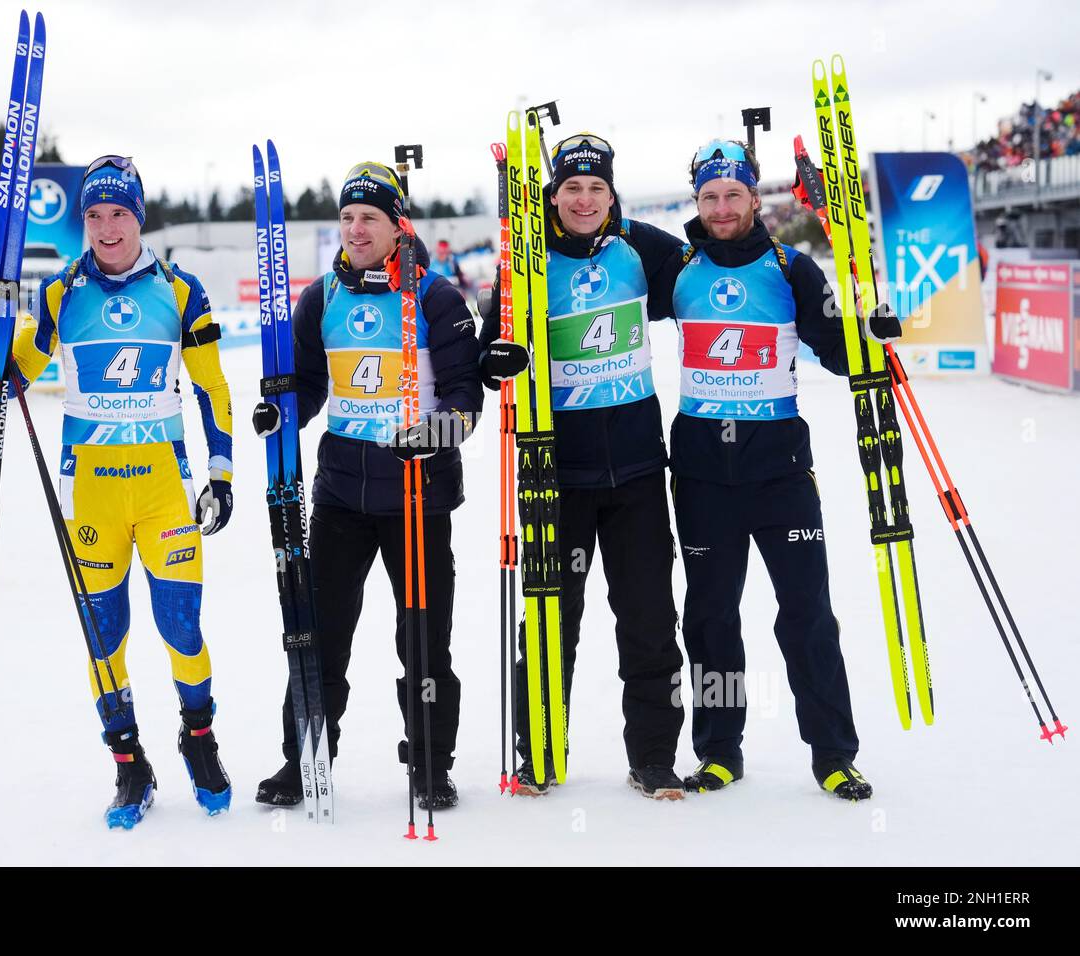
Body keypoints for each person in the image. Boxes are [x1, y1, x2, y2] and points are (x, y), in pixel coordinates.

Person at [652, 140, 898, 801]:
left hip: (781, 473)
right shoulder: (676, 266)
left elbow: (841, 352)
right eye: (709, 197)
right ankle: (719, 752)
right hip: (702, 473)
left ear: (755, 200)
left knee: (807, 613)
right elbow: (598, 269)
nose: (722, 208)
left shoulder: (792, 269)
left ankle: (834, 756)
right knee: (709, 616)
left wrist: (871, 331)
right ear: (696, 203)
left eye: (733, 195)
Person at [0, 156, 236, 828]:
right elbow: (14, 374)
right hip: (93, 500)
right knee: (105, 640)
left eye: (119, 213)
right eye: (95, 215)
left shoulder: (181, 292)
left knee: (181, 628)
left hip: (166, 495)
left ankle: (199, 740)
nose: (106, 227)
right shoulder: (57, 295)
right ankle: (128, 764)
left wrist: (221, 473)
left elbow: (213, 388)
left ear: (139, 216)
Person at [252, 161, 483, 811]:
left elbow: (467, 397)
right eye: (347, 217)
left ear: (395, 224)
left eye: (369, 217)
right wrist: (281, 409)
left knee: (423, 638)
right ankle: (302, 761)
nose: (355, 229)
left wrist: (436, 432)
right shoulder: (321, 298)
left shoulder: (436, 298)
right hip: (340, 497)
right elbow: (306, 387)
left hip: (417, 495)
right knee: (319, 635)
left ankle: (431, 763)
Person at [478, 132, 687, 800]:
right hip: (553, 476)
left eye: (596, 187)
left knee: (650, 620)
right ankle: (539, 750)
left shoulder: (641, 247)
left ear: (611, 192)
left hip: (636, 473)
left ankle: (653, 756)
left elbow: (713, 268)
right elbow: (488, 357)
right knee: (548, 619)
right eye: (573, 186)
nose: (585, 198)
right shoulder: (526, 261)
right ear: (554, 193)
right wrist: (500, 362)